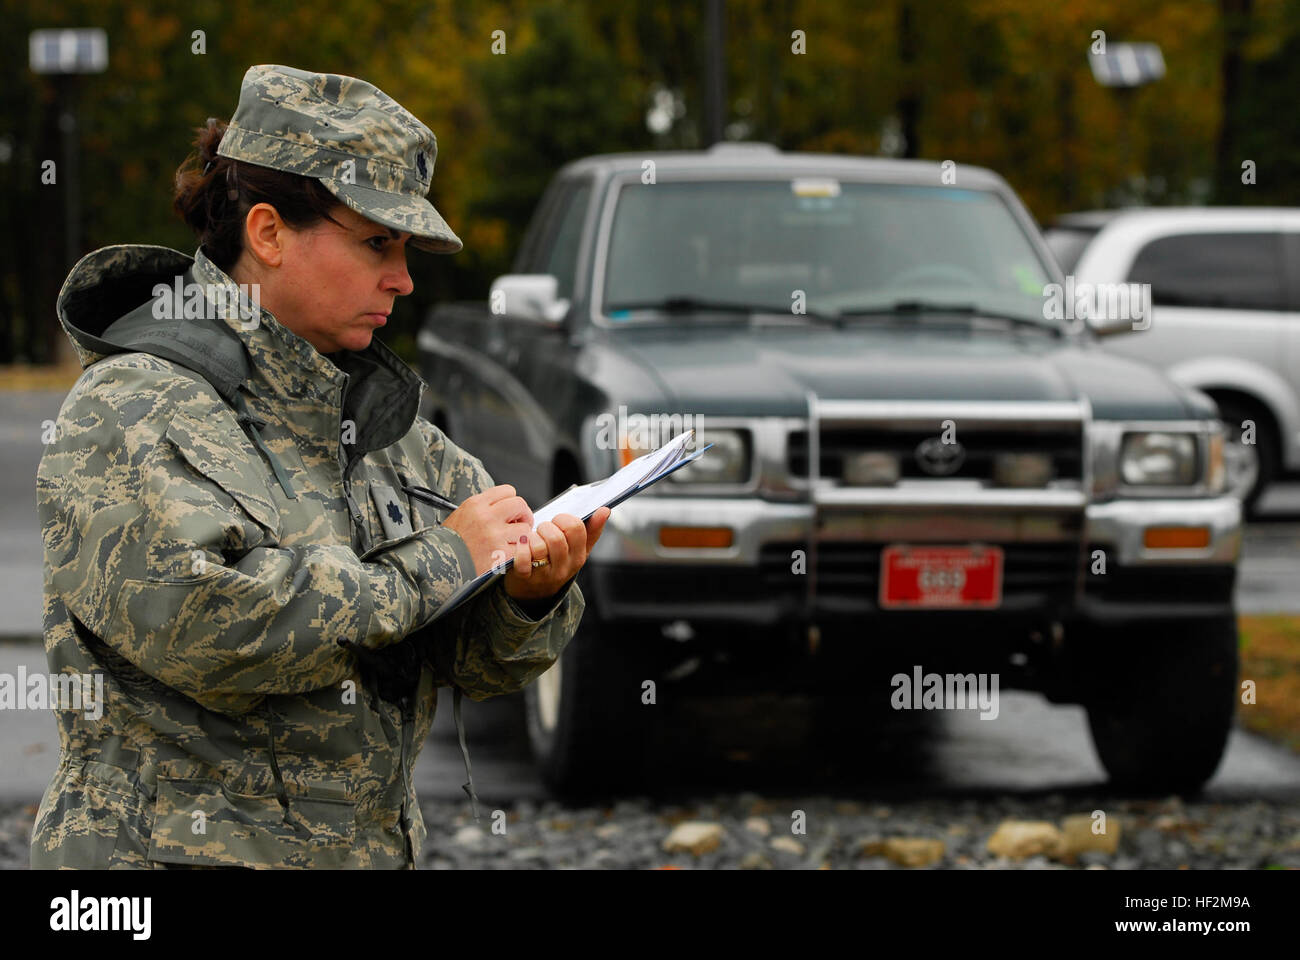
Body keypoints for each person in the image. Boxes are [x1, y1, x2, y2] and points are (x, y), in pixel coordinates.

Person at [29, 63, 609, 869]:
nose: (403, 279)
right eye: (378, 243)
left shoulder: (382, 423)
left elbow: (463, 658)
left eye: (406, 250)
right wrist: (444, 559)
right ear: (267, 233)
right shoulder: (132, 406)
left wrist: (527, 596)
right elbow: (209, 630)